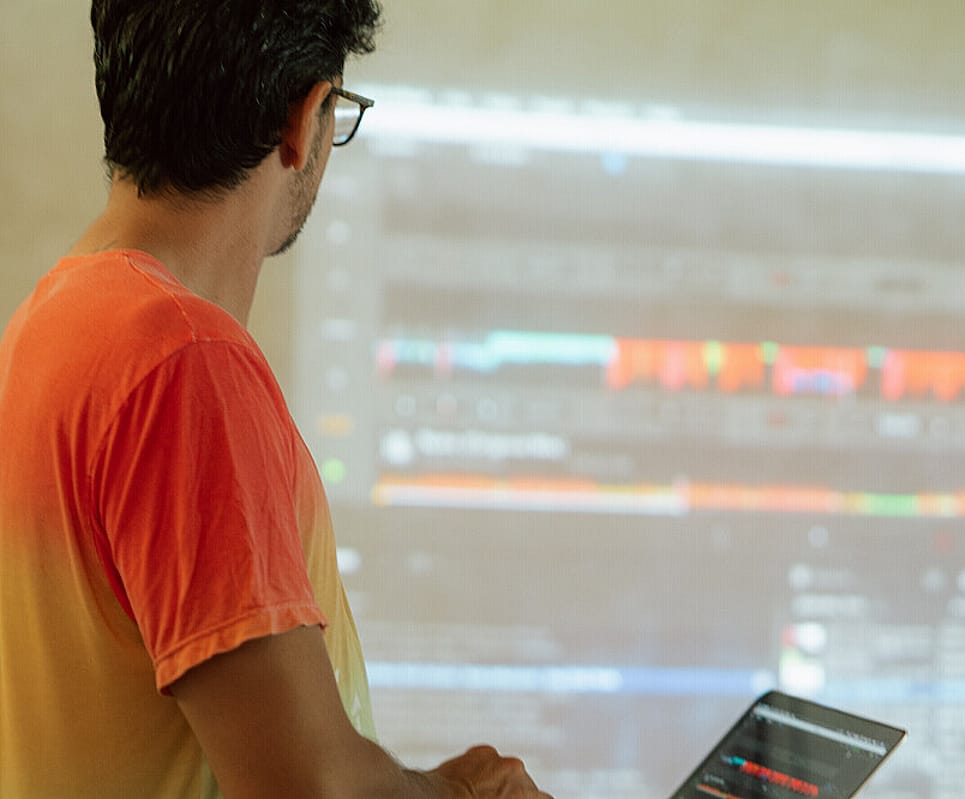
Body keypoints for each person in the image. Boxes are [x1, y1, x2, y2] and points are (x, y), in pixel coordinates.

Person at [0, 2, 552, 797]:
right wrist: (465, 790)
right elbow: (309, 787)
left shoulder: (45, 327)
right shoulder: (184, 365)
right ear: (305, 119)